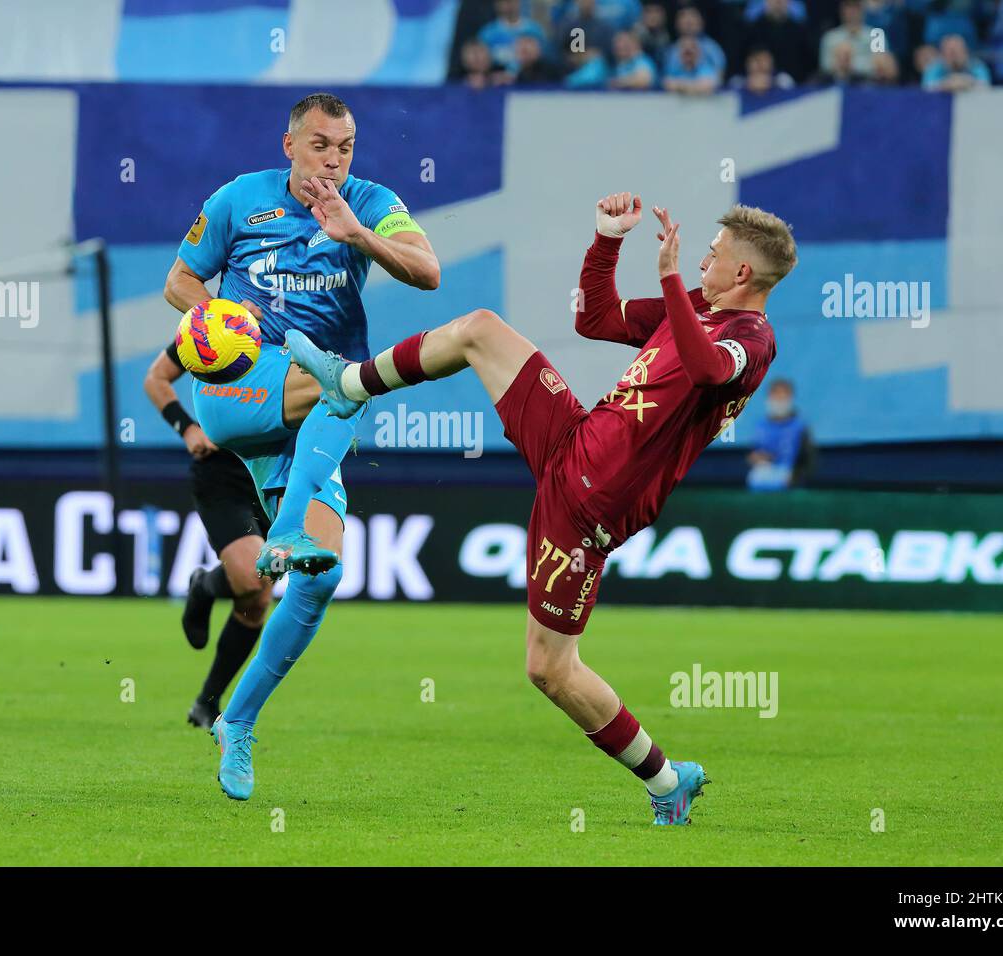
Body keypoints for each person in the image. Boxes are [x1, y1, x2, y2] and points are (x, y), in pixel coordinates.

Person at [287, 196, 796, 826]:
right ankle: (349, 385)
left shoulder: (752, 338)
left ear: (743, 274)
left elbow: (707, 369)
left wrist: (666, 276)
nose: (702, 261)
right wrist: (606, 242)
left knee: (549, 670)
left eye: (714, 255)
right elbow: (597, 319)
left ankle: (667, 780)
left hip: (594, 506)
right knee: (479, 329)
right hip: (577, 439)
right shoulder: (695, 306)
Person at [164, 91, 440, 800]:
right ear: (289, 146)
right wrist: (217, 317)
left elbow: (427, 270)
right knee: (347, 383)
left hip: (312, 418)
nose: (335, 159)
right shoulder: (236, 200)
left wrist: (357, 235)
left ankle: (239, 721)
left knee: (319, 580)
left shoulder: (371, 200)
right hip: (237, 390)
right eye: (321, 145)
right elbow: (180, 281)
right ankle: (283, 531)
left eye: (346, 146)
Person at [143, 325, 317, 730]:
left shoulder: (306, 324)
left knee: (256, 599)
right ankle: (205, 586)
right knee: (255, 577)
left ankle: (208, 701)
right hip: (224, 474)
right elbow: (156, 378)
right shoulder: (221, 325)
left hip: (280, 468)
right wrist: (187, 428)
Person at [746, 378, 814, 489]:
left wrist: (794, 478)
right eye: (775, 396)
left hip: (790, 483)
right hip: (762, 479)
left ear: (790, 398)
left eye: (783, 397)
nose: (779, 401)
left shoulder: (800, 427)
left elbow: (808, 462)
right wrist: (756, 458)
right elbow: (752, 454)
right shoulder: (760, 426)